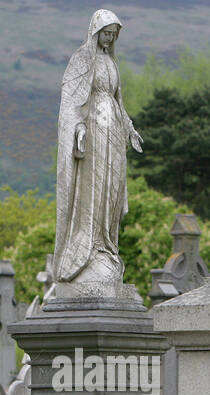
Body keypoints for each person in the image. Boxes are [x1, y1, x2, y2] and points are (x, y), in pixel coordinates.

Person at [54, 9, 143, 292]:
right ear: (95, 32)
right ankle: (89, 246)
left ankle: (106, 244)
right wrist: (78, 128)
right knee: (94, 187)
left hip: (113, 132)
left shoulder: (111, 62)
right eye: (105, 33)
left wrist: (129, 127)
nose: (109, 38)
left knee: (111, 190)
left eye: (113, 35)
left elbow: (118, 100)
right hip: (93, 132)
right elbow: (71, 101)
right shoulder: (83, 58)